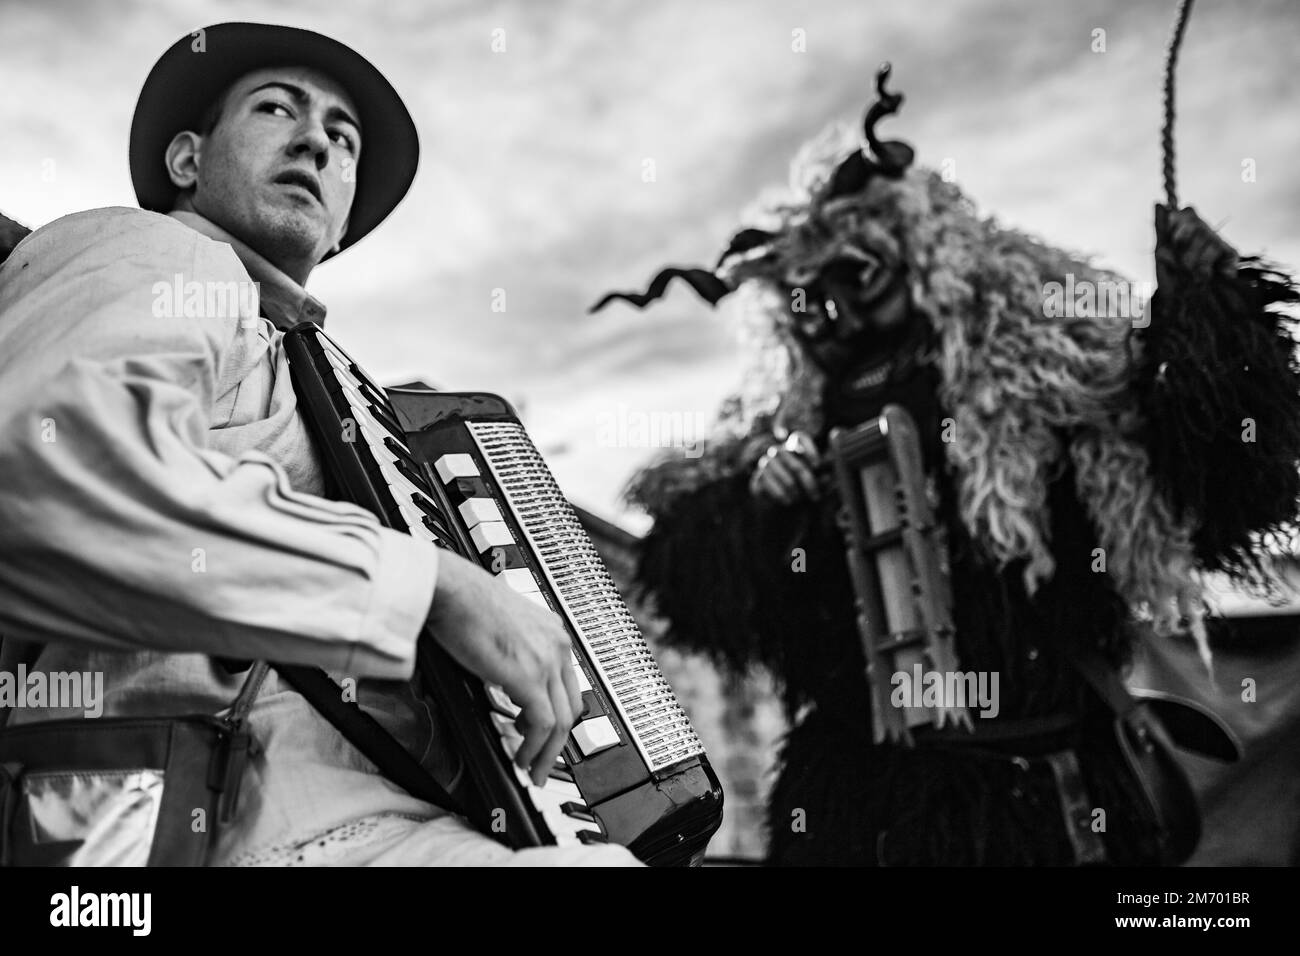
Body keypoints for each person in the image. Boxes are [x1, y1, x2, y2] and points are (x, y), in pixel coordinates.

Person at [599, 66, 1297, 865]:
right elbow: (698, 596)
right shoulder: (776, 440)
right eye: (811, 297)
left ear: (931, 266)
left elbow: (1220, 494)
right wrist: (759, 511)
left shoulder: (1056, 397)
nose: (839, 316)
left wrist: (1215, 325)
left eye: (860, 278)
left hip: (1047, 806)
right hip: (862, 811)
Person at [0, 21, 639, 867]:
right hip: (197, 831)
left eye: (344, 138)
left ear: (337, 231)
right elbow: (46, 477)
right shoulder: (163, 253)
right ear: (187, 162)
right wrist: (432, 587)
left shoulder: (326, 381)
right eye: (276, 108)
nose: (315, 141)